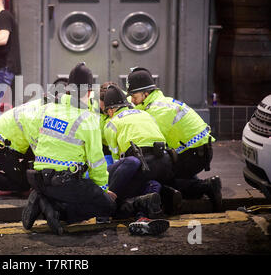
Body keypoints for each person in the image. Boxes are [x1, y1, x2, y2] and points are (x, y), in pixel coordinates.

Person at [21, 62, 117, 235]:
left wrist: (40, 153)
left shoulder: (48, 109)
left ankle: (42, 199)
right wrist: (102, 191)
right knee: (107, 205)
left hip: (38, 179)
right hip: (65, 182)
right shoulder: (87, 119)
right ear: (89, 92)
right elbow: (96, 162)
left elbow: (30, 128)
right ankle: (53, 210)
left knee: (78, 195)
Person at [127, 67, 222, 212]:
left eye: (134, 96)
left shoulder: (156, 111)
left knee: (157, 175)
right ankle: (193, 184)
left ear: (146, 94)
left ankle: (205, 187)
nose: (132, 100)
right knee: (165, 168)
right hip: (199, 151)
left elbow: (154, 146)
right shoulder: (158, 101)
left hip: (195, 156)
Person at [102, 84, 179, 221]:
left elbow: (117, 160)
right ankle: (145, 213)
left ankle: (124, 206)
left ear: (112, 110)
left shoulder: (112, 123)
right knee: (152, 184)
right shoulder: (145, 114)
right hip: (166, 162)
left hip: (142, 163)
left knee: (124, 187)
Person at [0, 98, 44, 195]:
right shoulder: (38, 117)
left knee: (31, 175)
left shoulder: (42, 105)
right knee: (23, 184)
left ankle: (21, 174)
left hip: (6, 143)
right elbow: (40, 150)